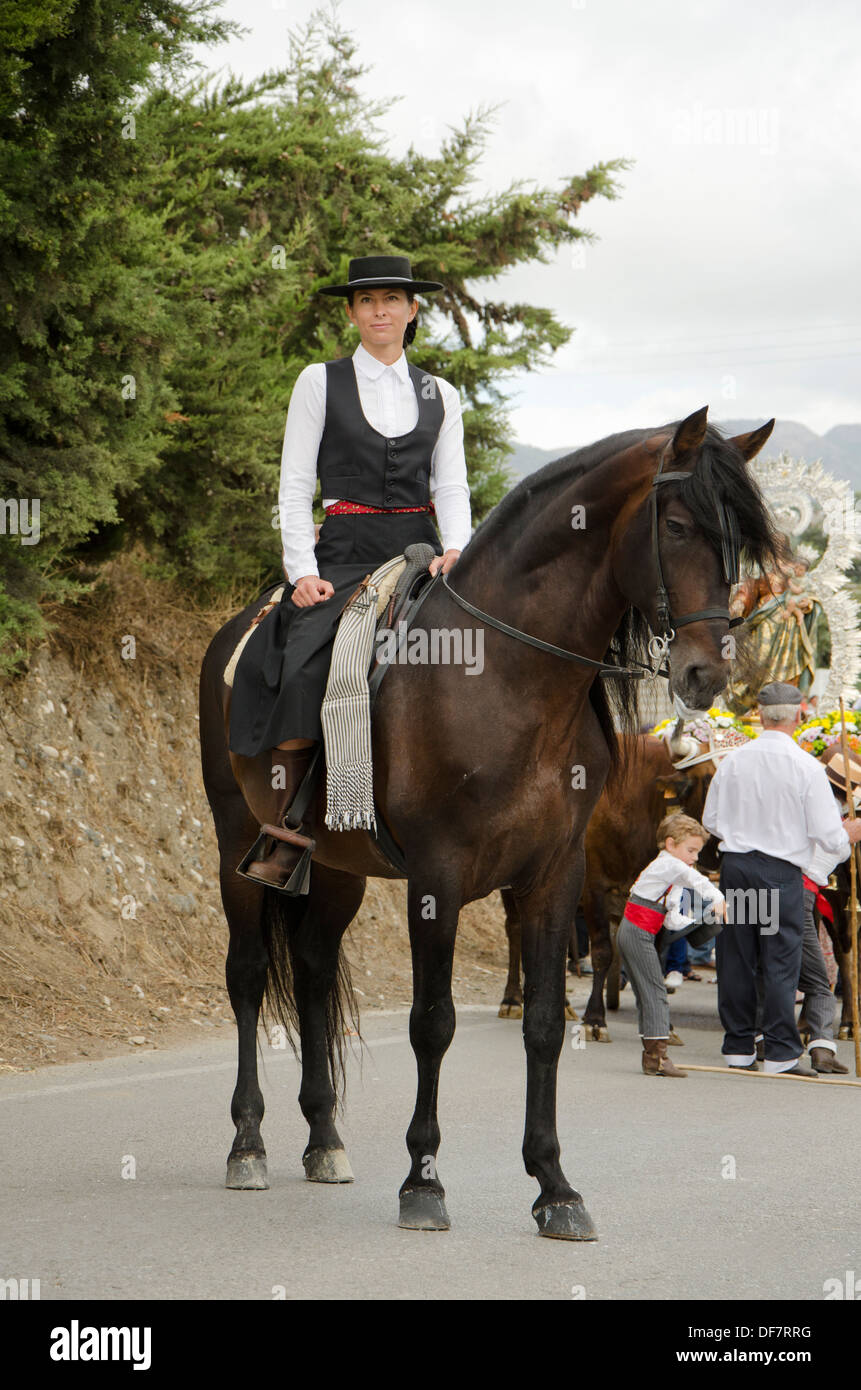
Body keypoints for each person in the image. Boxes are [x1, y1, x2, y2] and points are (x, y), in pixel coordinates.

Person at [228, 255, 472, 887]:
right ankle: (290, 818)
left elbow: (451, 486)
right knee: (307, 656)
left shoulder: (441, 394)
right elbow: (293, 485)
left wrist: (458, 550)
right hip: (342, 551)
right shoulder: (319, 381)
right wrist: (301, 570)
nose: (381, 310)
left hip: (418, 551)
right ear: (352, 312)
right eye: (368, 301)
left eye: (393, 299)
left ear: (413, 311)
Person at [702, 681, 861, 1075]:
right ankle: (779, 1054)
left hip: (738, 868)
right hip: (778, 872)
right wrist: (848, 836)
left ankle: (738, 1047)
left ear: (758, 715)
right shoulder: (806, 766)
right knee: (779, 962)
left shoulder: (734, 761)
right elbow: (828, 835)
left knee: (737, 959)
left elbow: (711, 822)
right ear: (798, 717)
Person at [617, 813, 726, 1078]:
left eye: (697, 852)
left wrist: (704, 920)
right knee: (655, 993)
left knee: (647, 994)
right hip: (637, 933)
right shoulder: (669, 865)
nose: (695, 858)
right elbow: (696, 880)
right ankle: (657, 1057)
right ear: (670, 844)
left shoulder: (671, 876)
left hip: (640, 932)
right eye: (691, 850)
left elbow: (674, 919)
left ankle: (652, 1056)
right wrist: (718, 898)